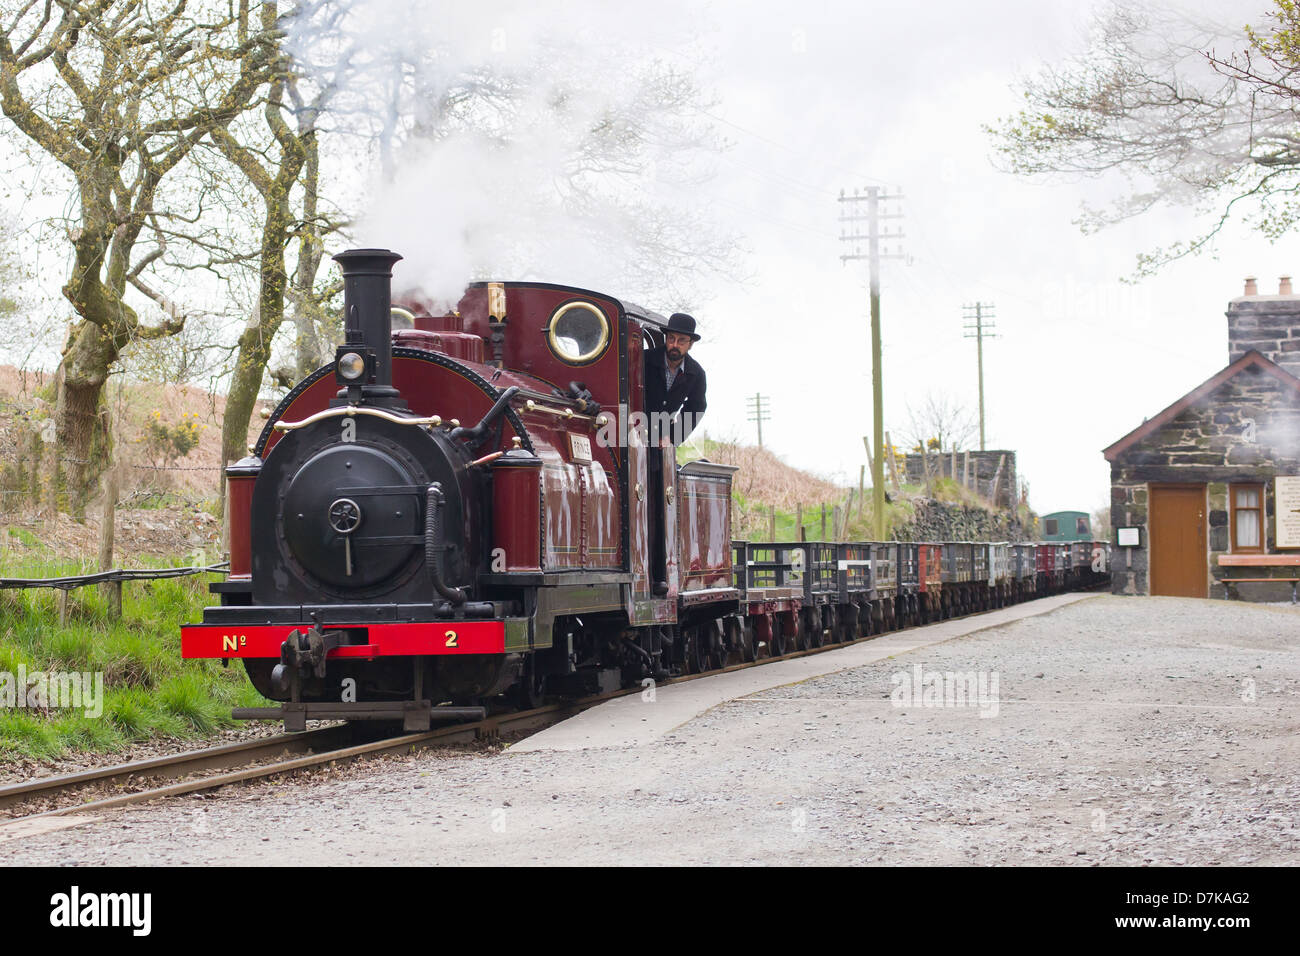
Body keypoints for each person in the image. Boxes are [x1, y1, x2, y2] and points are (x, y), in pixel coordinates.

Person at [643, 313, 707, 594]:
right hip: (633, 428)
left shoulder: (696, 373)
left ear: (690, 344)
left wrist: (673, 436)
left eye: (681, 341)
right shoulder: (645, 361)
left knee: (659, 499)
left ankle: (659, 571)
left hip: (662, 439)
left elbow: (696, 408)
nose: (675, 344)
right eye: (671, 338)